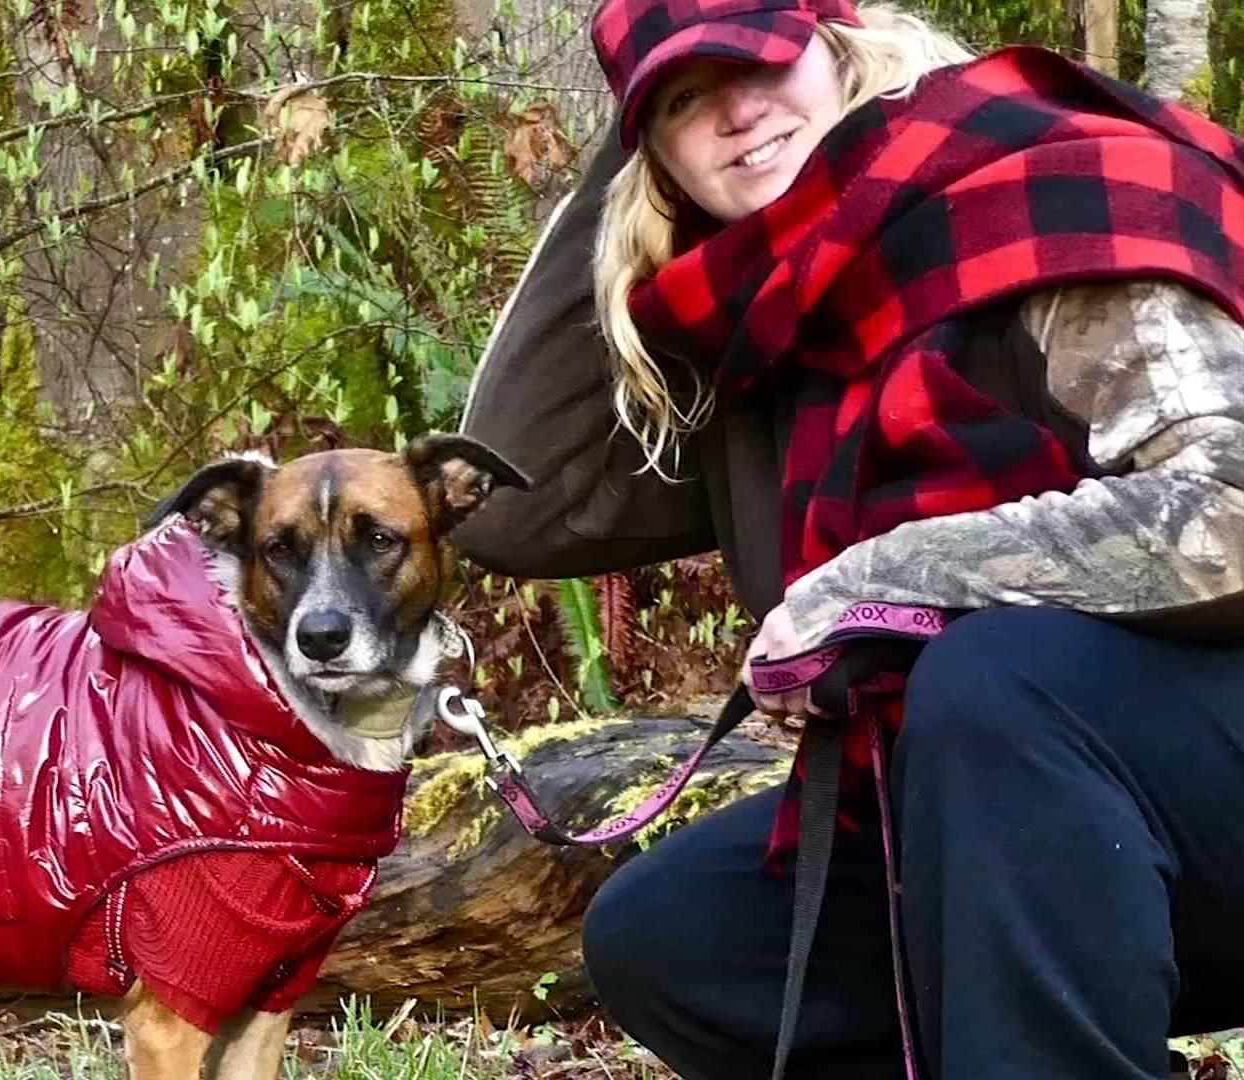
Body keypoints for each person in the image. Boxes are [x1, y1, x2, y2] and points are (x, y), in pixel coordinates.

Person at [453, 0, 1244, 1076]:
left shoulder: (1043, 186)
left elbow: (1228, 505)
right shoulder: (763, 323)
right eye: (684, 102)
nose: (735, 113)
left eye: (760, 64)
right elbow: (514, 501)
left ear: (839, 45)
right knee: (674, 937)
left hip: (1193, 780)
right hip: (1013, 830)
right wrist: (630, 132)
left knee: (994, 678)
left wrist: (884, 578)